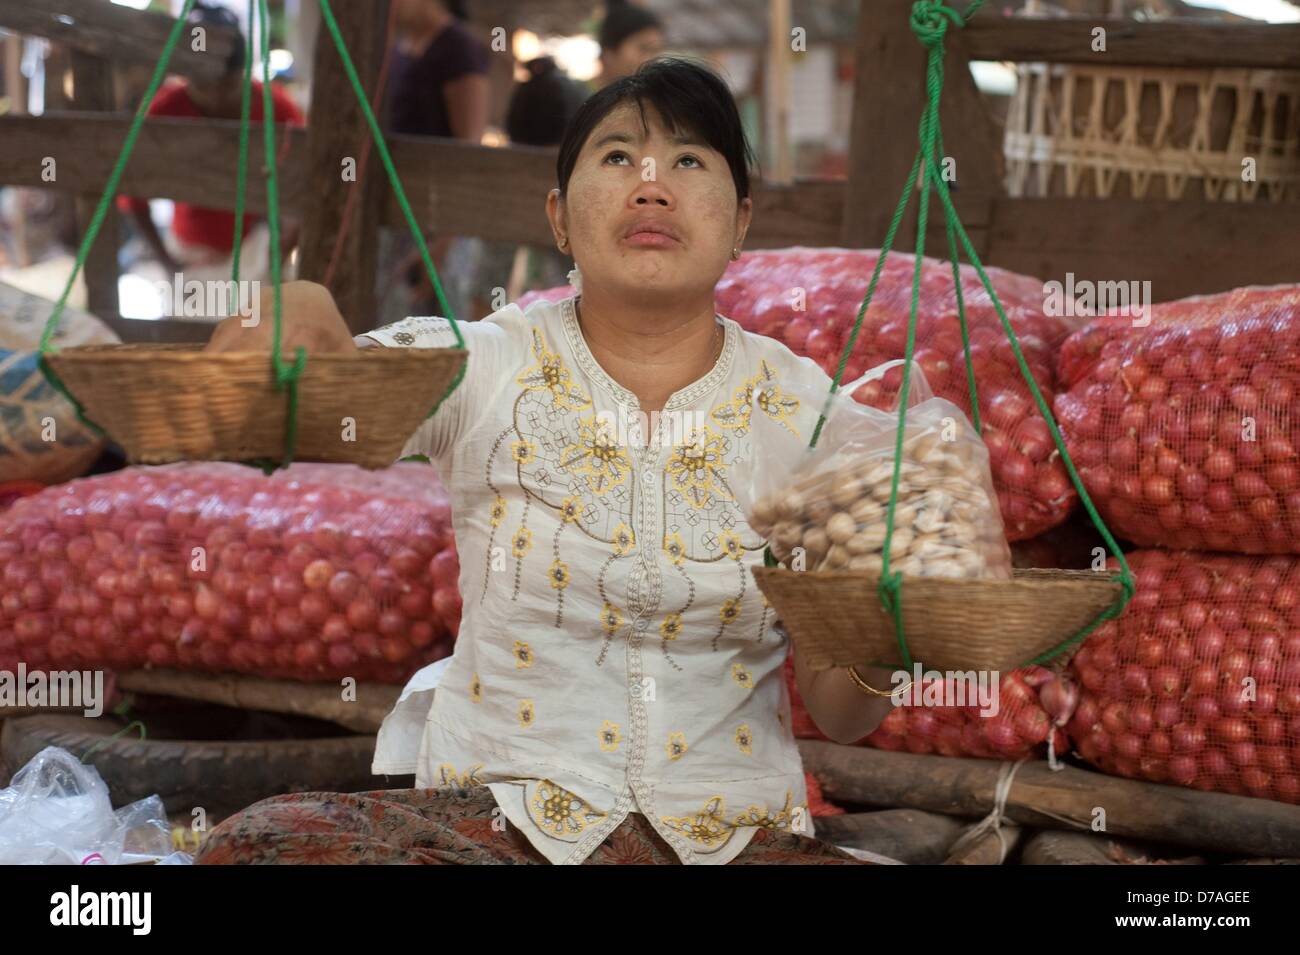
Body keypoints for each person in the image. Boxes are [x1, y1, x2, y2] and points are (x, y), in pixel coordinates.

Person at [200, 57, 897, 866]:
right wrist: (302, 317)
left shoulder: (806, 410)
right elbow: (340, 400)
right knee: (255, 847)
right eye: (617, 157)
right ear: (560, 219)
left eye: (689, 160)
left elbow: (843, 711)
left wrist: (890, 614)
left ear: (740, 222)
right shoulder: (489, 363)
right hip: (497, 826)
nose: (651, 186)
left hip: (730, 836)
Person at [117, 2, 304, 287]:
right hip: (189, 252)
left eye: (227, 86)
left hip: (255, 249)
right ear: (186, 77)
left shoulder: (274, 107)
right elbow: (132, 193)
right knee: (195, 327)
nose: (216, 97)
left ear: (243, 72)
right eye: (204, 85)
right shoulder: (165, 110)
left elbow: (308, 177)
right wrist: (167, 262)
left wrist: (283, 247)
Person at [383, 0, 490, 321]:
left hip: (443, 221)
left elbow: (469, 150)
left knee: (440, 327)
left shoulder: (459, 50)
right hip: (399, 213)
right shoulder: (400, 46)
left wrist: (443, 243)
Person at [592, 0, 666, 91]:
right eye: (643, 48)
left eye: (656, 50)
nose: (652, 60)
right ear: (609, 52)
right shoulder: (577, 98)